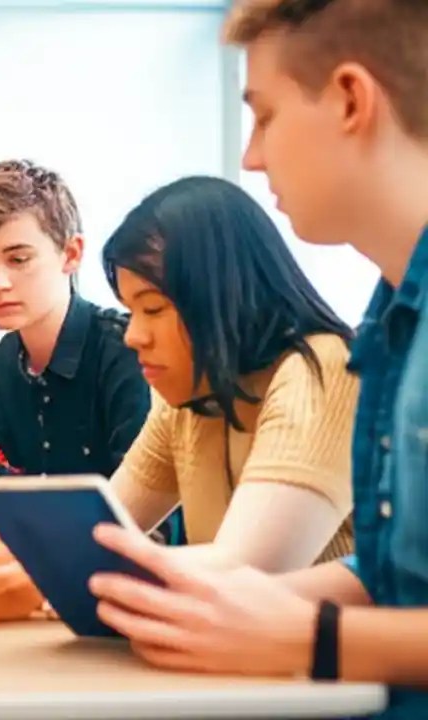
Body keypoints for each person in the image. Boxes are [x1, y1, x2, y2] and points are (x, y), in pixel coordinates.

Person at [87, 1, 428, 715]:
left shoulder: (328, 363)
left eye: (265, 115)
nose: (252, 155)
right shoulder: (391, 321)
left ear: (349, 99)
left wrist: (313, 637)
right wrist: (205, 606)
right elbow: (396, 577)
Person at [0, 175, 360, 627]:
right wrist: (30, 579)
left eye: (152, 309)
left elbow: (241, 571)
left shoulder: (319, 369)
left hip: (321, 688)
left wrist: (39, 583)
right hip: (237, 670)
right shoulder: (189, 399)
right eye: (132, 310)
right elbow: (97, 539)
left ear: (221, 295)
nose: (134, 335)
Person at [0, 160, 153, 544]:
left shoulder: (126, 350)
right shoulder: (5, 360)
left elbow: (145, 520)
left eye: (18, 259)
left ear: (71, 254)